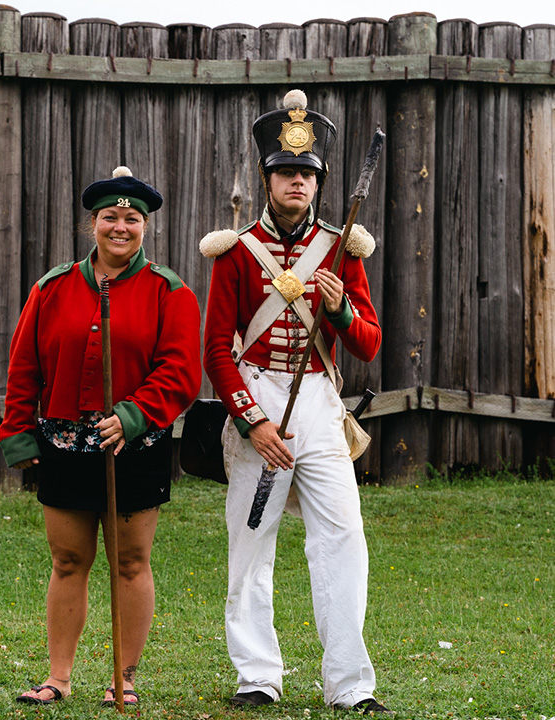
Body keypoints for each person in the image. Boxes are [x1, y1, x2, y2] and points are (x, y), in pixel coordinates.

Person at [199, 89, 390, 715]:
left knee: (342, 538)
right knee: (251, 541)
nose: (297, 182)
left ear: (320, 181)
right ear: (267, 176)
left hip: (317, 399)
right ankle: (257, 674)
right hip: (257, 392)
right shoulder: (235, 253)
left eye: (307, 173)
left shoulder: (343, 249)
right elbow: (217, 352)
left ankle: (350, 684)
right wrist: (250, 420)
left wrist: (338, 307)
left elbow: (366, 343)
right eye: (286, 171)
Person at [0, 167, 201, 707]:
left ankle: (124, 678)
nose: (121, 226)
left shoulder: (170, 291)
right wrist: (18, 433)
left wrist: (133, 416)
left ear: (145, 227)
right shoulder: (51, 287)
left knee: (130, 562)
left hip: (134, 445)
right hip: (63, 444)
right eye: (110, 216)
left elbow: (181, 371)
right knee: (68, 561)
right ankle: (58, 678)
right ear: (93, 223)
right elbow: (25, 368)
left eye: (132, 218)